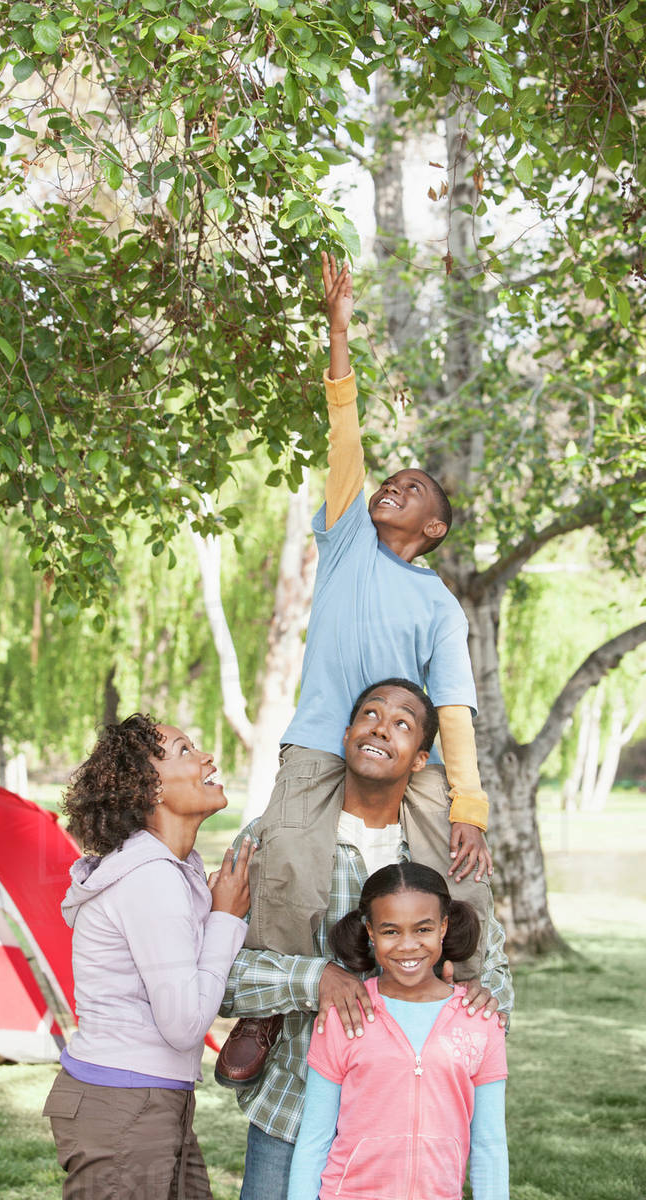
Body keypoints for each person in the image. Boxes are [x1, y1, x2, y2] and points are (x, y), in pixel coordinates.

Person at [216, 253, 494, 1086]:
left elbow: (451, 708)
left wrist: (469, 806)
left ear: (434, 528)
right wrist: (338, 332)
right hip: (322, 739)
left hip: (410, 758)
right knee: (287, 855)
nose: (392, 489)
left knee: (448, 869)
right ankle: (266, 1011)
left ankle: (460, 993)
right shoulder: (344, 544)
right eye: (390, 482)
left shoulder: (440, 606)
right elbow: (346, 435)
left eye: (410, 491)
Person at [219, 678, 513, 1200]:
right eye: (371, 715)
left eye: (402, 723)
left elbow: (493, 972)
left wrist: (492, 996)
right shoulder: (274, 838)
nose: (381, 727)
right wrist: (316, 977)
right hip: (294, 1101)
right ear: (348, 733)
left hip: (396, 1117)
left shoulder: (444, 853)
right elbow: (217, 968)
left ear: (420, 759)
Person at [42, 713, 255, 1200]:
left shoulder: (170, 869)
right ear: (149, 788)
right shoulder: (150, 877)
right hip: (126, 1104)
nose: (207, 758)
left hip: (146, 1100)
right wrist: (225, 917)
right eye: (184, 751)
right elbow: (183, 1023)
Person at [287, 861, 509, 1200]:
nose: (408, 945)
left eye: (423, 929)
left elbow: (490, 1145)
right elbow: (314, 1139)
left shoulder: (479, 1020)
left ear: (443, 927)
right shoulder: (345, 1017)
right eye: (391, 931)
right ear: (370, 932)